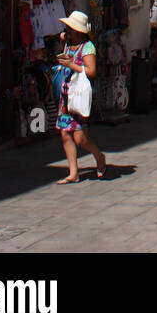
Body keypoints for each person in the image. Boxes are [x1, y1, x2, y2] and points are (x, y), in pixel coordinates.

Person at [55, 11, 106, 184]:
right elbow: (61, 36)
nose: (66, 31)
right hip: (66, 97)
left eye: (70, 28)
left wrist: (71, 65)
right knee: (65, 133)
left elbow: (91, 71)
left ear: (78, 30)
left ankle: (99, 157)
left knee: (80, 138)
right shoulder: (69, 43)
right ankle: (73, 172)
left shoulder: (87, 47)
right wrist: (64, 35)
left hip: (79, 98)